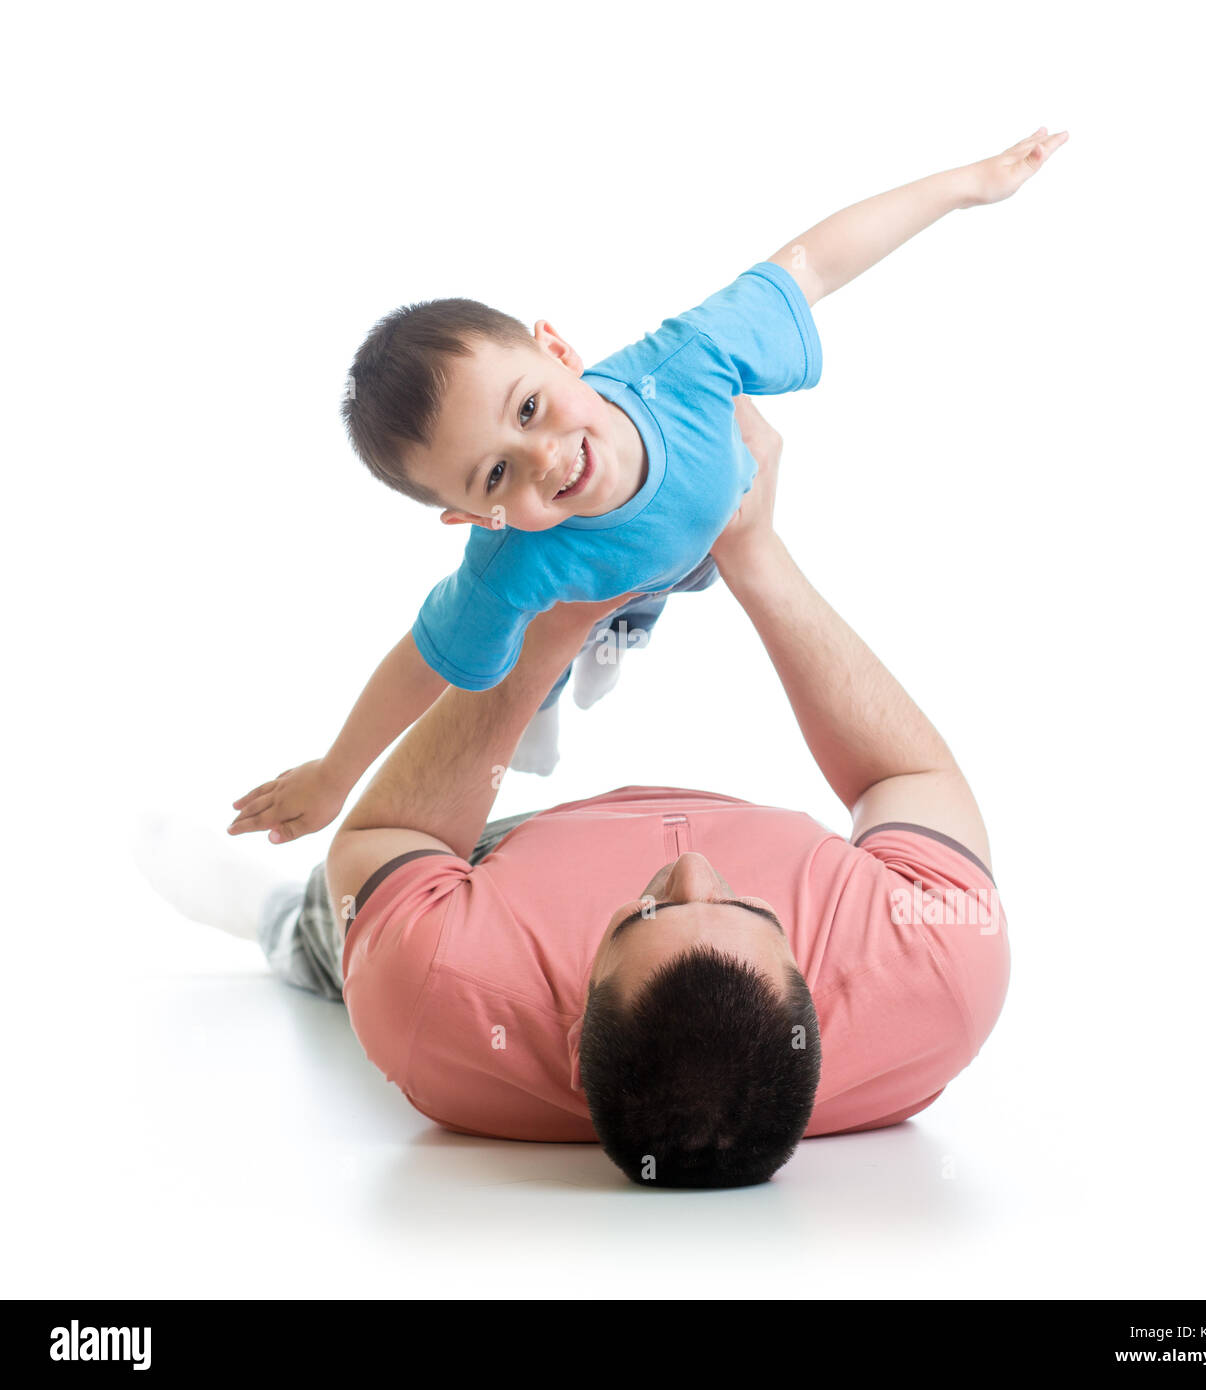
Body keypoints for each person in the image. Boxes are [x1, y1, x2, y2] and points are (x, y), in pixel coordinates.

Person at [140, 396, 1010, 1189]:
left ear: (574, 1011)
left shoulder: (447, 992)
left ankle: (275, 924)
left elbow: (384, 834)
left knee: (336, 925)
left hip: (482, 862)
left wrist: (557, 619)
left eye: (643, 913)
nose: (698, 867)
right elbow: (909, 777)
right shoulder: (940, 977)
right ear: (811, 1010)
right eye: (753, 912)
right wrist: (753, 552)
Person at [228, 127, 1067, 826]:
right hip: (603, 585)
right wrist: (335, 774)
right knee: (544, 661)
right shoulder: (514, 563)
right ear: (472, 517)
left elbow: (811, 266)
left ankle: (618, 634)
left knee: (632, 603)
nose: (547, 459)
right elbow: (422, 661)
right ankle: (568, 682)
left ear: (558, 351)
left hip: (689, 552)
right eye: (496, 475)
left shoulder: (689, 363)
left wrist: (968, 184)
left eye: (529, 409)